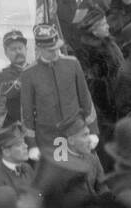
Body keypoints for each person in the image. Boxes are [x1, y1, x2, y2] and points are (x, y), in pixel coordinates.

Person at [19, 23, 99, 162]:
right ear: (39, 49)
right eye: (50, 50)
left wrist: (92, 131)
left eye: (57, 48)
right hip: (49, 138)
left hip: (76, 133)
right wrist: (32, 145)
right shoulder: (29, 74)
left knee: (85, 172)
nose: (55, 52)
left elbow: (85, 98)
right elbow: (26, 112)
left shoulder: (72, 64)